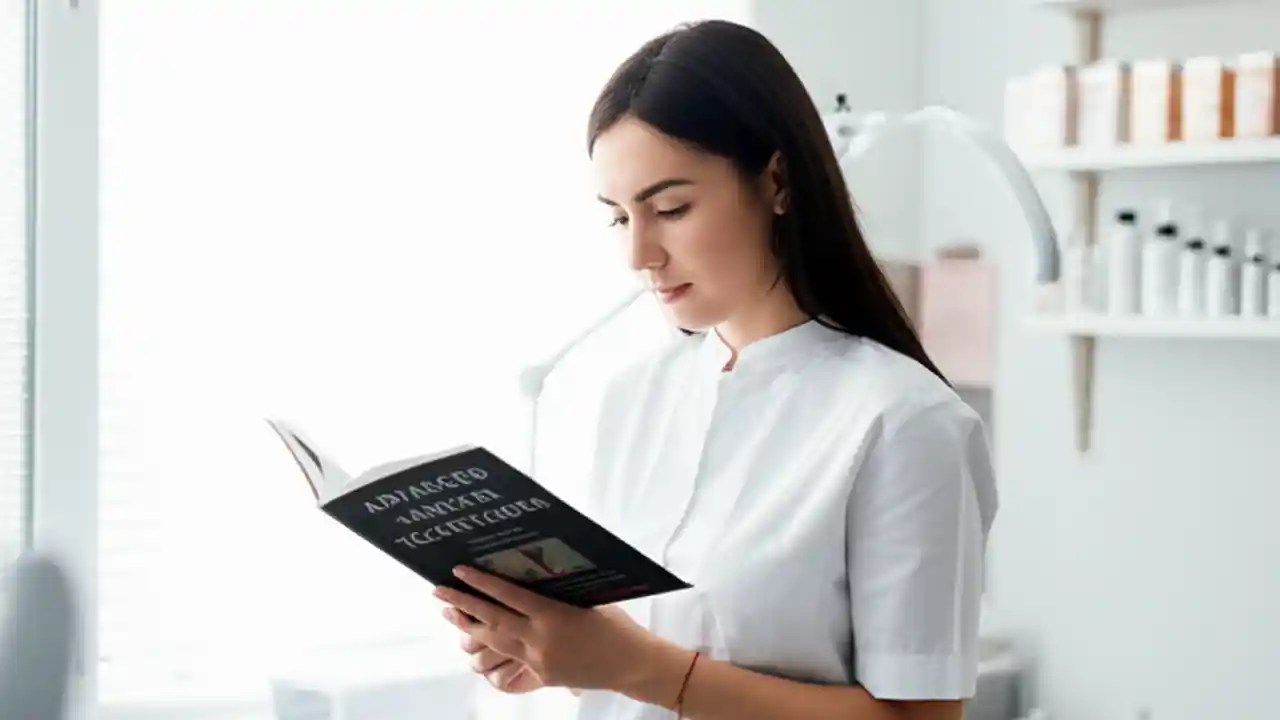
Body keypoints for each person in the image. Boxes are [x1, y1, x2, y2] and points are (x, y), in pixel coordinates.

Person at [432, 18, 997, 720]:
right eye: (618, 218)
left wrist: (636, 667)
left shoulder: (904, 424)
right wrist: (554, 655)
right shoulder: (632, 399)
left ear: (777, 180)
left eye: (670, 208)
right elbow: (634, 666)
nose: (640, 254)